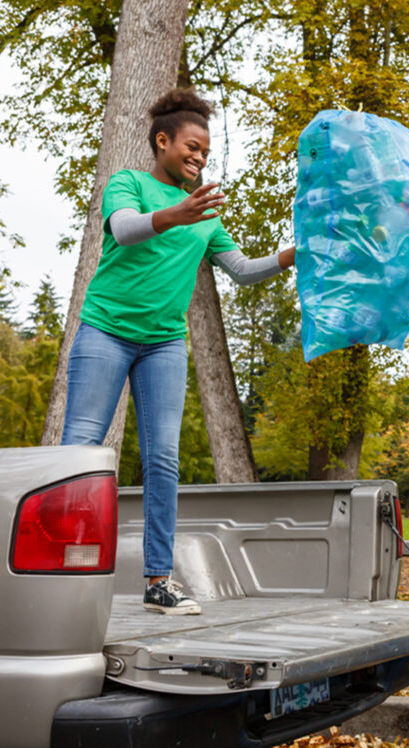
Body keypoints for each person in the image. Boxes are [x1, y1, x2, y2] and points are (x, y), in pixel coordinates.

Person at [61, 88, 295, 615]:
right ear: (163, 141)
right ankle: (61, 567)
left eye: (206, 152)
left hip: (164, 343)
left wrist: (290, 255)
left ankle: (158, 582)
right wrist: (176, 214)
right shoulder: (130, 184)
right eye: (192, 146)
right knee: (80, 451)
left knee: (162, 459)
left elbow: (240, 270)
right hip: (106, 331)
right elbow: (123, 230)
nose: (199, 157)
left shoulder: (205, 214)